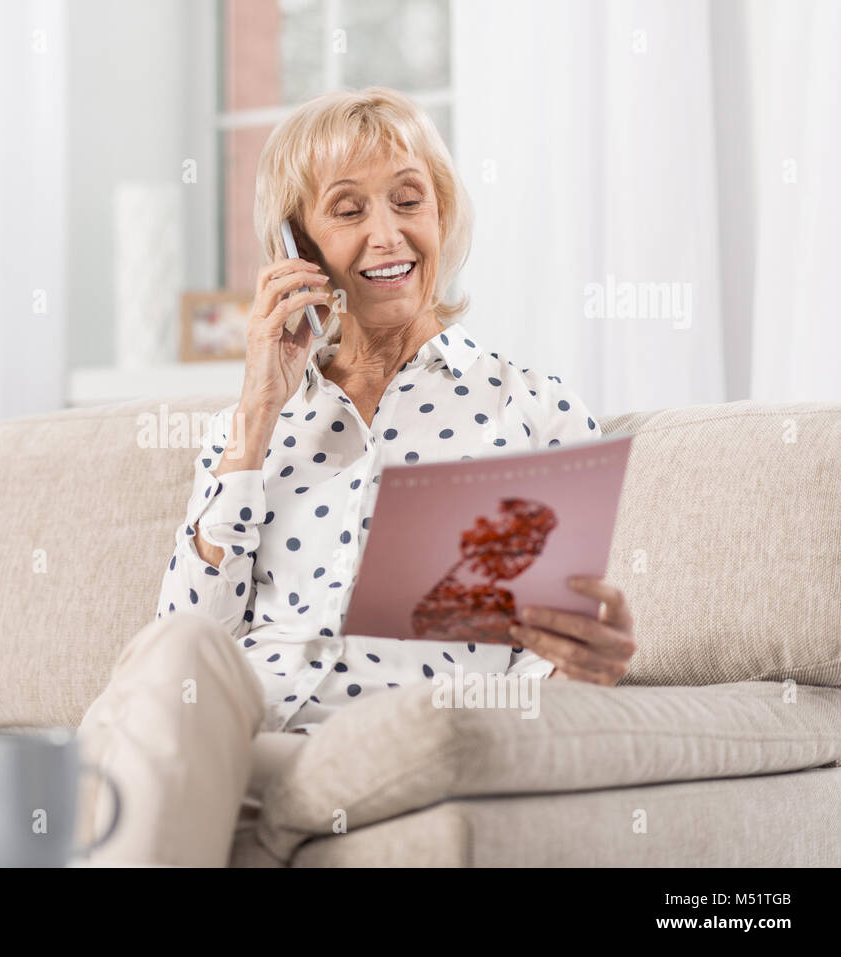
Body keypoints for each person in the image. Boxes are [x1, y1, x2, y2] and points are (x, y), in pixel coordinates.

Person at [77, 87, 636, 867]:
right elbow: (186, 633)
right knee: (168, 666)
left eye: (409, 200)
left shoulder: (530, 409)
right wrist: (257, 412)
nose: (387, 234)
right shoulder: (252, 424)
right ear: (296, 245)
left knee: (109, 773)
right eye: (347, 210)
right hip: (238, 734)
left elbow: (540, 671)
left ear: (441, 215)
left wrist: (585, 669)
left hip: (382, 747)